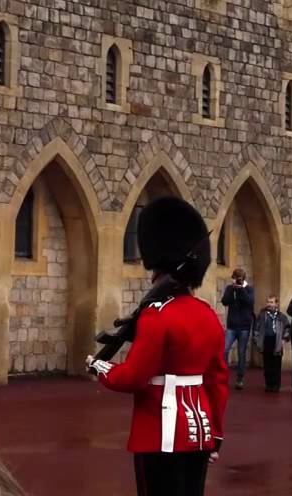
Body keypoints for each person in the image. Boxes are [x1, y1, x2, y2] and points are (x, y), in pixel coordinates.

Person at [87, 196, 228, 496]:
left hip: (159, 432)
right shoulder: (208, 315)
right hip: (200, 433)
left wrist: (98, 366)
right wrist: (214, 435)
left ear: (159, 271)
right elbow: (217, 381)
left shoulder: (156, 315)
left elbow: (134, 377)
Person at [220, 268, 255, 390]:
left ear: (243, 279)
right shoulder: (230, 288)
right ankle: (223, 376)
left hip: (244, 326)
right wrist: (233, 290)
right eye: (234, 278)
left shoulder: (249, 289)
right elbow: (224, 301)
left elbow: (250, 302)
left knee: (241, 352)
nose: (236, 281)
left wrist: (241, 290)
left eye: (238, 279)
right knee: (224, 350)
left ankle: (240, 378)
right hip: (232, 325)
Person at [253, 296, 289, 392]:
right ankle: (268, 384)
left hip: (277, 341)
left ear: (276, 304)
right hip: (266, 340)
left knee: (276, 364)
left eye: (272, 302)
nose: (269, 304)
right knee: (267, 364)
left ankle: (276, 384)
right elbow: (256, 328)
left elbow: (287, 328)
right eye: (268, 302)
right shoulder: (262, 315)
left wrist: (284, 339)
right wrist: (257, 340)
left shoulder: (281, 316)